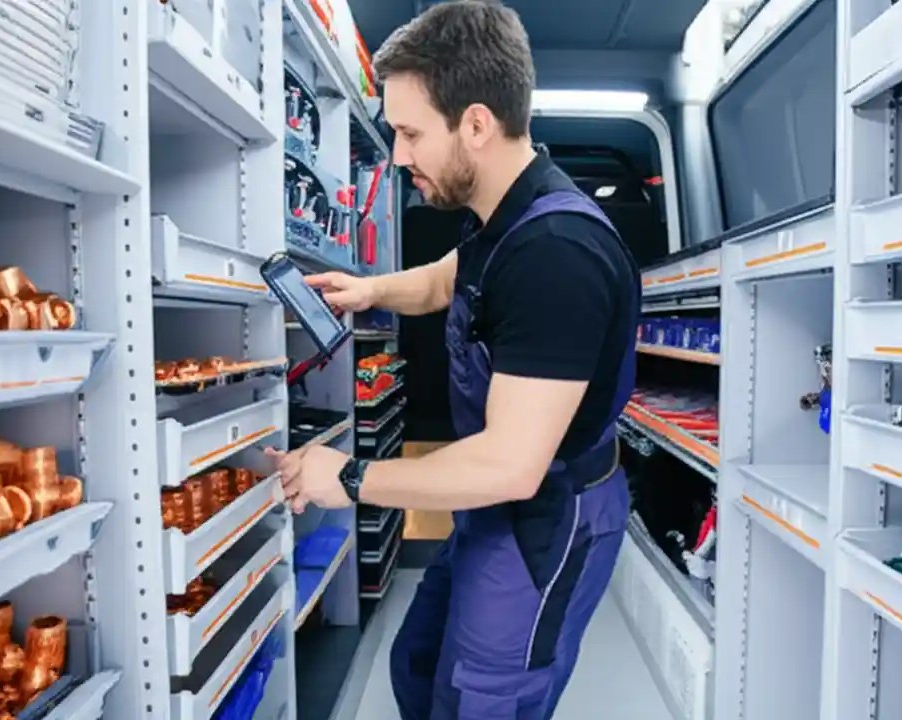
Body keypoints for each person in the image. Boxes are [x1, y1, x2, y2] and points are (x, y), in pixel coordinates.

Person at [268, 1, 640, 717]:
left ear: (475, 124)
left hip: (545, 518)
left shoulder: (556, 257)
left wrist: (346, 477)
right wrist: (368, 288)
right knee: (418, 665)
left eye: (409, 133)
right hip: (494, 504)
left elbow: (509, 464)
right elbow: (447, 277)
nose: (398, 155)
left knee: (482, 702)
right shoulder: (502, 218)